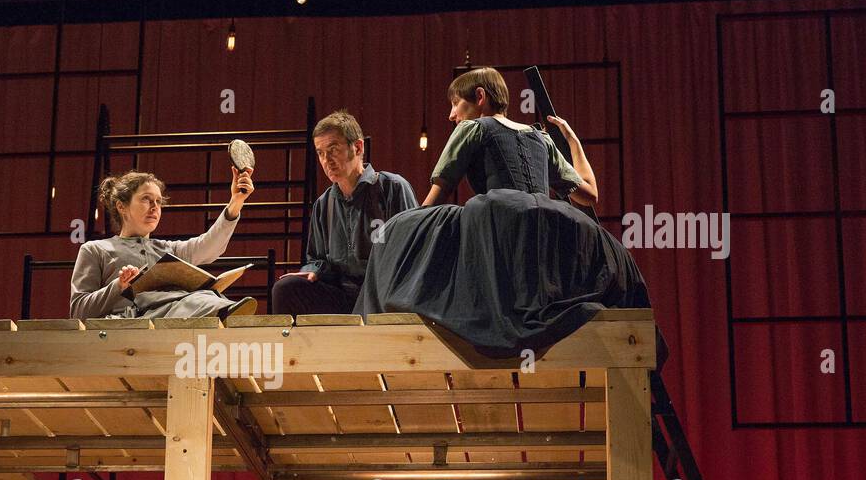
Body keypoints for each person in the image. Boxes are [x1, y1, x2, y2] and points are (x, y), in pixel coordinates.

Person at [356, 67, 652, 357]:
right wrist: (573, 141)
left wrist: (409, 233)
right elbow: (589, 195)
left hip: (500, 225)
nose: (451, 115)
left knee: (397, 232)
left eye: (456, 103)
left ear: (480, 96)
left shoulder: (471, 128)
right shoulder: (542, 138)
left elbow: (437, 196)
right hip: (547, 224)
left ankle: (374, 335)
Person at [272, 109, 417, 316]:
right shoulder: (323, 204)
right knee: (285, 289)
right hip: (344, 294)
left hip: (384, 291)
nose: (326, 160)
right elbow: (317, 258)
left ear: (357, 147)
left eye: (333, 149)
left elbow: (415, 249)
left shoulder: (392, 188)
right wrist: (312, 271)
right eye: (320, 153)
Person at [69, 168, 257, 320]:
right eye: (146, 199)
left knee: (206, 297)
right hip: (132, 323)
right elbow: (79, 311)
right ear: (121, 206)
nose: (154, 207)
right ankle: (224, 314)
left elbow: (208, 246)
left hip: (173, 318)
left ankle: (223, 314)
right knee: (197, 301)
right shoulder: (95, 249)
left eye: (158, 202)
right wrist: (118, 285)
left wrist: (236, 202)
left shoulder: (168, 249)